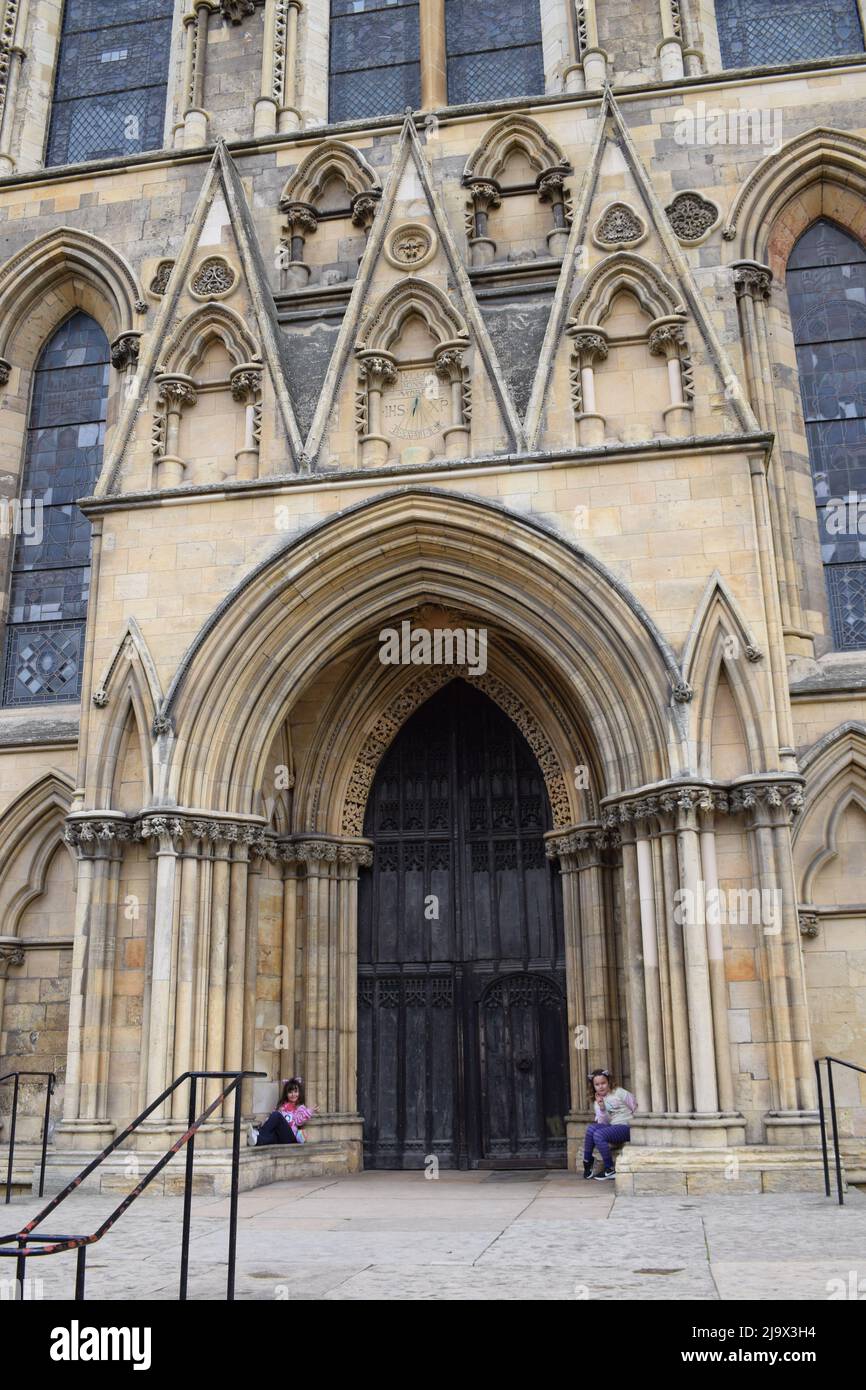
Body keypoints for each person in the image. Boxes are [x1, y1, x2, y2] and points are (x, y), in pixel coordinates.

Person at [582, 1068, 636, 1180]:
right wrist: (601, 1108)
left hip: (627, 1127)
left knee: (599, 1135)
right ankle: (587, 1162)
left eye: (603, 1083)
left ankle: (609, 1169)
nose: (600, 1086)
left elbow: (635, 1106)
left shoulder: (619, 1092)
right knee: (591, 1129)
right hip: (614, 1127)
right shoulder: (597, 1102)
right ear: (593, 1086)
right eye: (597, 1084)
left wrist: (638, 1127)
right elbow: (603, 1123)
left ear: (608, 1082)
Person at [250, 1077, 316, 1147]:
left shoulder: (300, 1107)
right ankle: (257, 1140)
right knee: (271, 1137)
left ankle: (259, 1133)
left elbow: (298, 1121)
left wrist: (309, 1111)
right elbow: (271, 1119)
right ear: (286, 1094)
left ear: (299, 1093)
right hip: (280, 1136)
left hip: (290, 1137)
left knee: (277, 1115)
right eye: (290, 1092)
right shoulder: (282, 1106)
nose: (293, 1094)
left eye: (295, 1092)